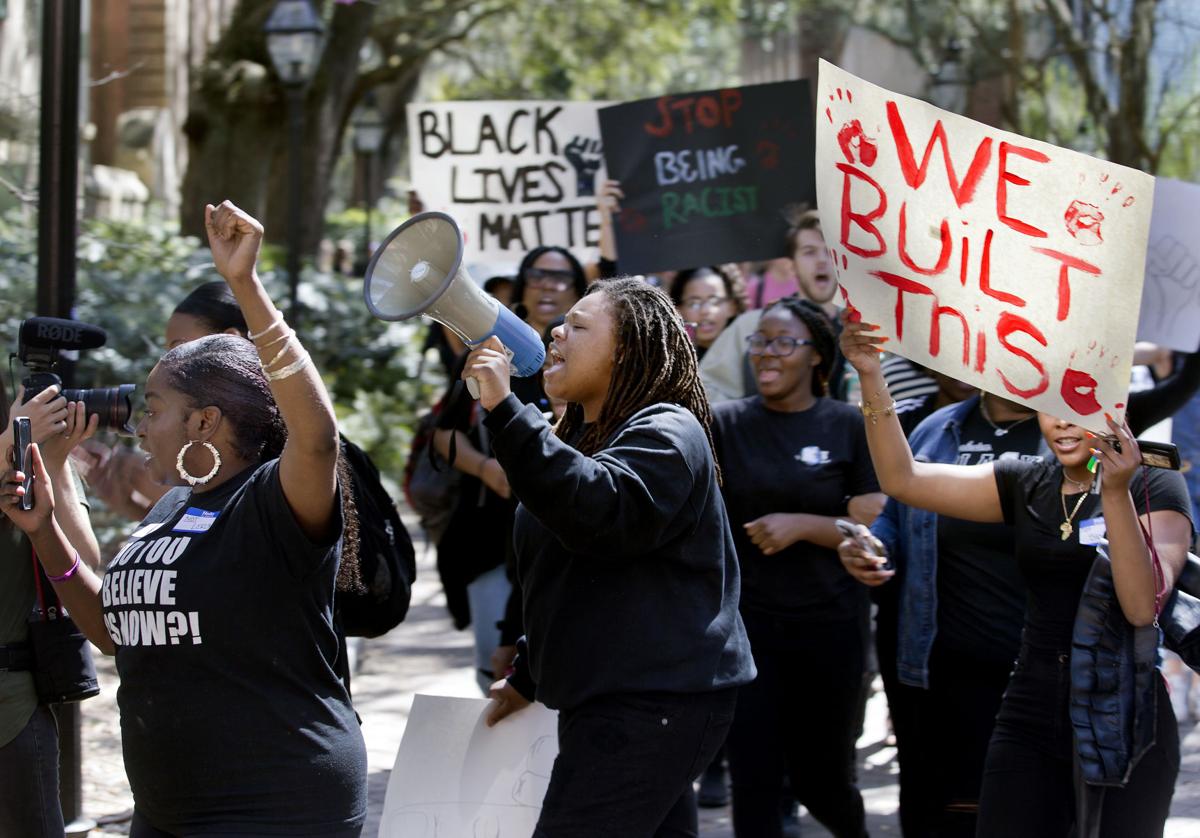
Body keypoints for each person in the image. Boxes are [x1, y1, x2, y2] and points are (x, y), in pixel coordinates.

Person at [1, 201, 367, 836]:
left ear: (205, 423)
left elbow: (317, 441)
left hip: (274, 806)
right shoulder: (172, 509)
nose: (140, 425)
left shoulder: (272, 502)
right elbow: (118, 633)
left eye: (154, 408)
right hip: (167, 811)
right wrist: (44, 531)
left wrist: (245, 286)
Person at [838, 311, 1193, 837]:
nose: (1064, 421)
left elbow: (1141, 607)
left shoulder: (1154, 487)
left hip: (1123, 710)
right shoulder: (1025, 481)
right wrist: (871, 374)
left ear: (1114, 406)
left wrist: (1114, 493)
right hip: (1029, 704)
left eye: (1081, 405)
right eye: (1052, 406)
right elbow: (902, 478)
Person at [470, 277, 755, 837]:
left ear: (626, 352)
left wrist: (506, 409)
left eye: (578, 326)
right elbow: (570, 572)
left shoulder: (669, 430)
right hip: (621, 696)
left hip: (653, 702)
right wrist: (528, 673)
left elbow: (599, 514)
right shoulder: (583, 438)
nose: (555, 331)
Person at [712, 296, 884, 838]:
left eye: (783, 342)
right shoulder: (725, 423)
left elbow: (875, 525)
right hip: (749, 631)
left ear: (816, 355)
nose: (766, 353)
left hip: (831, 625)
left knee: (823, 778)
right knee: (754, 776)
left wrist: (803, 525)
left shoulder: (846, 425)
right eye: (759, 341)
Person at [434, 246, 586, 693]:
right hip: (493, 542)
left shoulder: (596, 368)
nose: (548, 285)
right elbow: (442, 437)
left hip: (565, 539)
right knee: (498, 665)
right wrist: (487, 469)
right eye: (537, 275)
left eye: (562, 279)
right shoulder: (494, 353)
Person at [0, 383, 99, 837]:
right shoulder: (9, 445)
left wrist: (54, 463)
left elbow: (83, 563)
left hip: (14, 705)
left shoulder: (29, 453)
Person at [669, 265, 746, 360]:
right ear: (678, 310)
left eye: (714, 301)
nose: (705, 311)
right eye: (694, 303)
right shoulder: (671, 359)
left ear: (732, 306)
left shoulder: (748, 352)